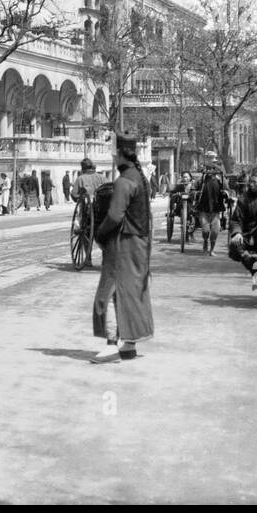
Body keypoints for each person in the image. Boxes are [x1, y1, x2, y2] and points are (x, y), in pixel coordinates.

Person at [90, 133, 154, 363]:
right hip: (139, 244)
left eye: (114, 152)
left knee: (107, 293)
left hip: (122, 244)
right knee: (131, 294)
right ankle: (128, 345)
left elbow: (115, 216)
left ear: (120, 155)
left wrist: (100, 232)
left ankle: (110, 344)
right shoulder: (139, 177)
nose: (112, 156)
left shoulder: (123, 182)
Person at [194, 160, 227, 256]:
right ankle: (205, 240)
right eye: (207, 169)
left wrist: (226, 194)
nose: (209, 171)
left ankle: (212, 249)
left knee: (215, 231)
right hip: (203, 209)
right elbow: (192, 190)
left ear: (215, 170)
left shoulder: (220, 181)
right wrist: (196, 194)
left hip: (215, 210)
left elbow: (229, 190)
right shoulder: (201, 181)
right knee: (205, 230)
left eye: (211, 169)